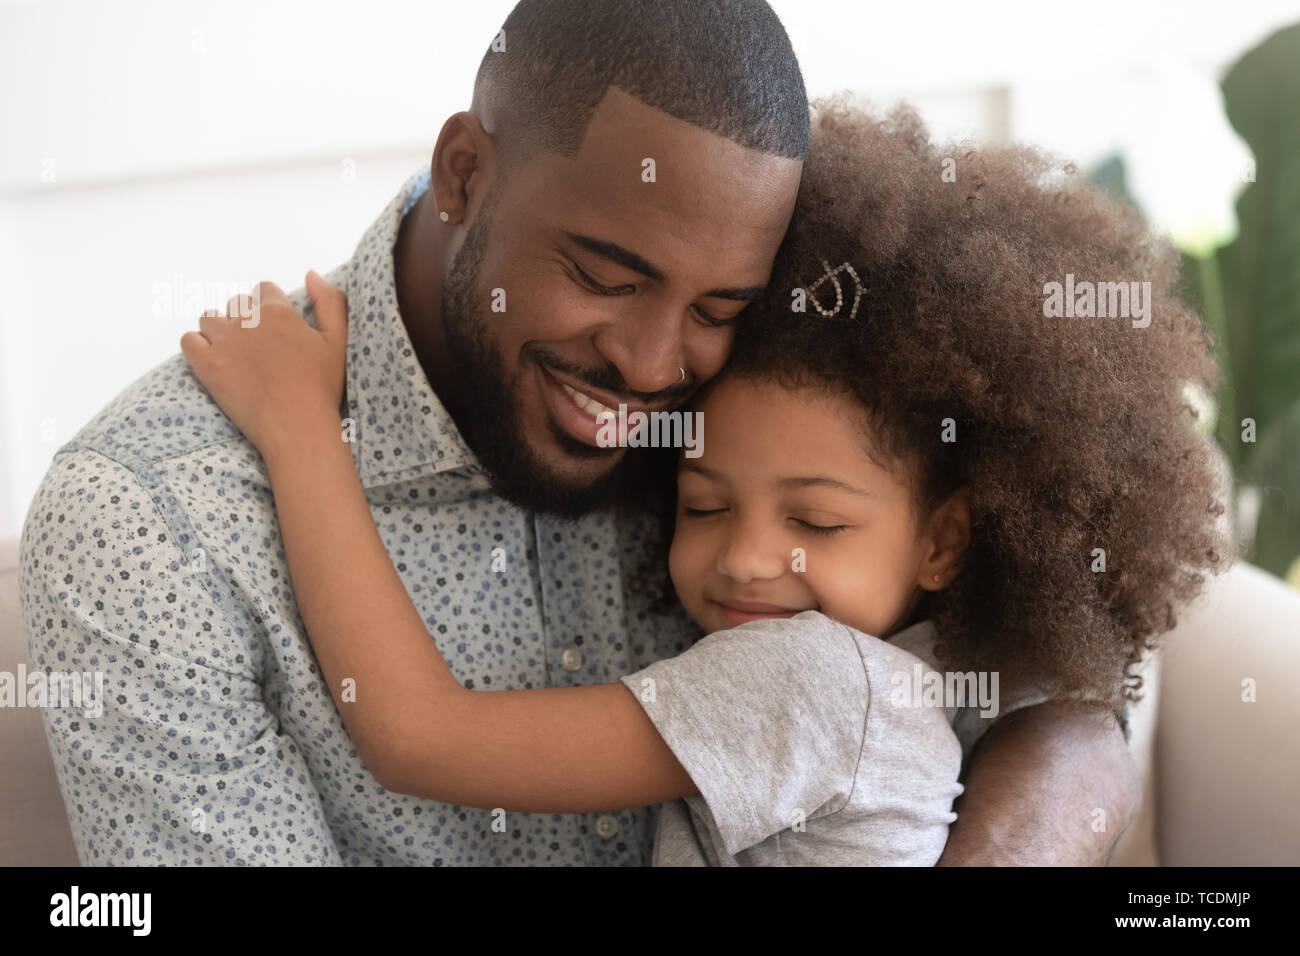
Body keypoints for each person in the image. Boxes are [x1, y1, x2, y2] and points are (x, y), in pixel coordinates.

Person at [20, 0, 1139, 866]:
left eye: (714, 310)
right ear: (466, 171)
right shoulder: (153, 520)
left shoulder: (769, 376)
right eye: (604, 276)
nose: (656, 368)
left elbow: (1072, 690)